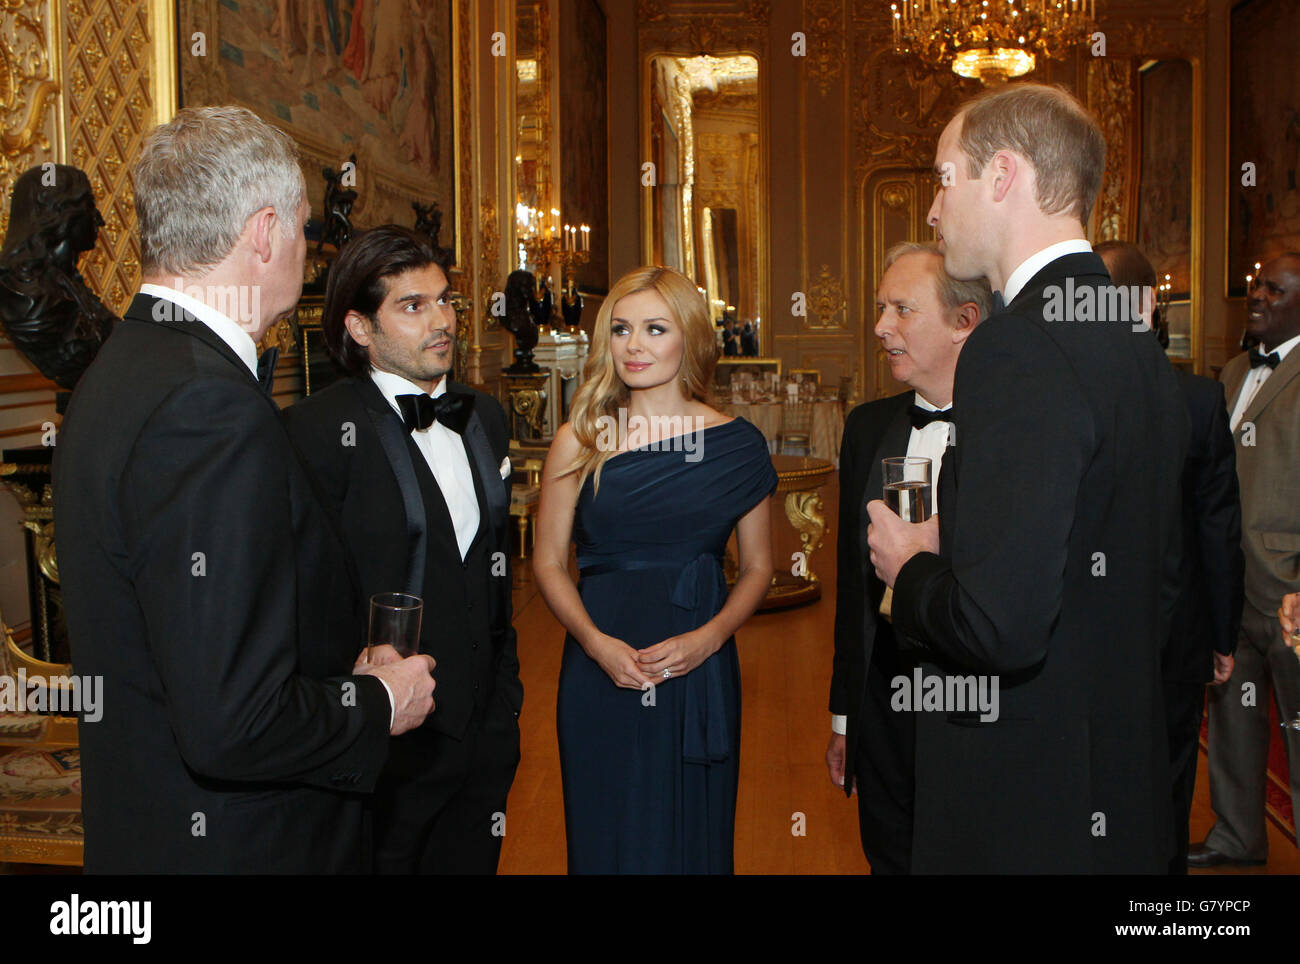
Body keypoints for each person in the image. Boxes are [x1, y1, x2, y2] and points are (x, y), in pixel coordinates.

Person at [52, 106, 436, 873]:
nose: (306, 246)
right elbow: (233, 720)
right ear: (265, 233)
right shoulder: (207, 408)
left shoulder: (120, 366)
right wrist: (377, 702)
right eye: (301, 225)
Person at [866, 83, 1188, 873]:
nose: (935, 213)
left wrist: (911, 569)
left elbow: (999, 626)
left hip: (1026, 806)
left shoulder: (1018, 347)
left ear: (1002, 175)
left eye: (945, 179)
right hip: (1116, 781)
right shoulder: (1129, 337)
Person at [283, 225, 522, 874]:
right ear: (360, 328)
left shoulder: (484, 415)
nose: (441, 320)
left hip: (484, 736)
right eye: (412, 307)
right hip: (387, 748)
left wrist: (505, 703)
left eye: (444, 301)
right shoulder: (316, 431)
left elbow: (496, 570)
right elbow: (302, 598)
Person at [534, 265, 776, 873]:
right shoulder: (580, 438)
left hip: (696, 661)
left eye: (654, 328)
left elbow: (757, 569)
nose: (634, 345)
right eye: (620, 329)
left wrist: (709, 640)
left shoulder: (738, 445)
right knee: (606, 832)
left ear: (689, 338)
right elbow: (547, 563)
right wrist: (594, 644)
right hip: (599, 663)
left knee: (691, 835)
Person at [828, 241, 990, 874]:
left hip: (977, 695)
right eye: (879, 308)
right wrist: (845, 714)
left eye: (902, 309)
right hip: (885, 698)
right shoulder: (867, 428)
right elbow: (851, 585)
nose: (880, 327)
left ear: (963, 322)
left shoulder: (1012, 430)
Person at [1095, 240, 1244, 875]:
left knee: (1093, 782)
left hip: (1081, 636)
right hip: (1178, 636)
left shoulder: (1057, 397)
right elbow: (1217, 529)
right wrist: (1222, 632)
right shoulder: (1200, 401)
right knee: (1171, 782)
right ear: (1151, 304)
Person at [1192, 253, 1300, 868]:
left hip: (1289, 594)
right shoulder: (1232, 372)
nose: (1256, 295)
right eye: (1257, 284)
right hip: (1230, 586)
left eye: (1274, 290)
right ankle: (1236, 837)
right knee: (1233, 722)